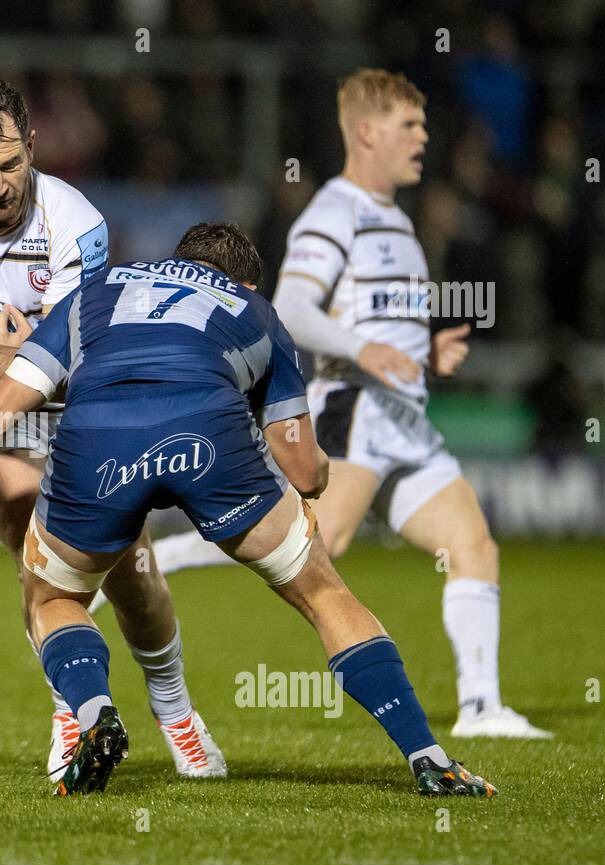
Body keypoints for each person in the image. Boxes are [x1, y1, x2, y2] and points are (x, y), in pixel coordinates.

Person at [0, 223, 498, 799]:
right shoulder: (257, 312)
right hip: (209, 439)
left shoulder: (92, 293)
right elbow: (305, 471)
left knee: (52, 601)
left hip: (98, 443)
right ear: (248, 282)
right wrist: (321, 476)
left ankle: (96, 712)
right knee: (323, 593)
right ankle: (428, 758)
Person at [114, 70, 551, 740]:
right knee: (317, 543)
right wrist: (366, 352)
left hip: (404, 414)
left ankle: (482, 708)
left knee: (472, 542)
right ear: (368, 133)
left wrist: (425, 352)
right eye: (410, 125)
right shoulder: (335, 213)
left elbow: (375, 318)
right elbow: (290, 307)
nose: (423, 138)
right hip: (356, 406)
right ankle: (173, 554)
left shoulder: (398, 223)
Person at [0, 77, 225, 782]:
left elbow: (81, 365)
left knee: (131, 575)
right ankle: (78, 708)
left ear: (33, 146)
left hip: (81, 414)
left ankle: (175, 708)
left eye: (11, 163)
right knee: (40, 564)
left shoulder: (76, 222)